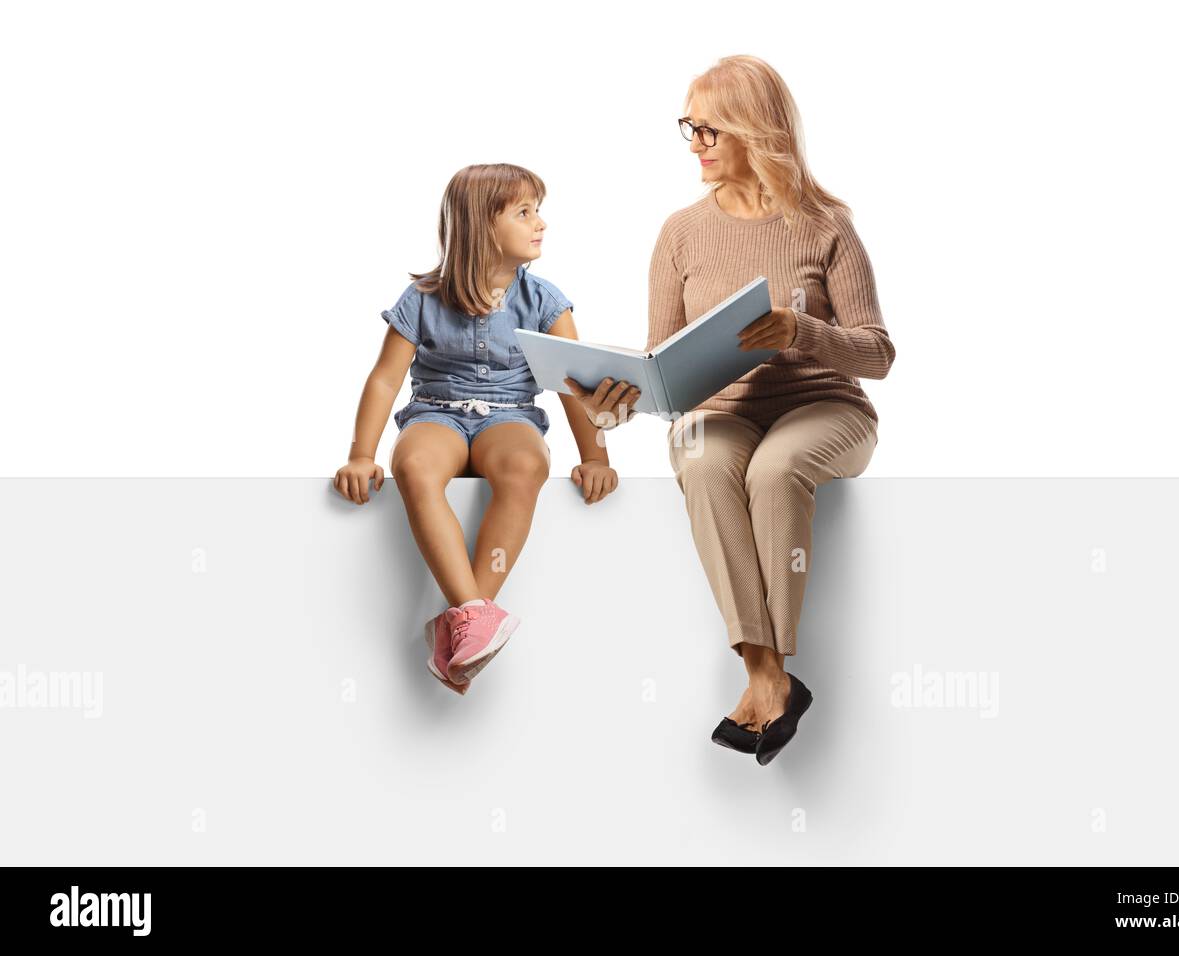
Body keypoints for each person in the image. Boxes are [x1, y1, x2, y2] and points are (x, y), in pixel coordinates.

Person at [566, 57, 895, 764]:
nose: (695, 143)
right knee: (704, 459)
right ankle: (765, 673)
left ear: (756, 129)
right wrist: (612, 406)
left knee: (776, 471)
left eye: (709, 128)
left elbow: (878, 354)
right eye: (690, 128)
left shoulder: (825, 227)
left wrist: (800, 331)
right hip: (720, 413)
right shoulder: (680, 233)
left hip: (824, 406)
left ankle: (769, 678)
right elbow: (662, 365)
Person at [334, 163, 621, 694]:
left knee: (526, 465)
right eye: (525, 212)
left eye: (538, 210)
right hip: (435, 411)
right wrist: (361, 453)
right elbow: (384, 380)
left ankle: (466, 626)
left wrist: (596, 458)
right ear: (482, 226)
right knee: (415, 465)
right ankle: (473, 615)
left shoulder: (545, 301)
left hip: (510, 414)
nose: (541, 223)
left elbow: (572, 385)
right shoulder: (422, 297)